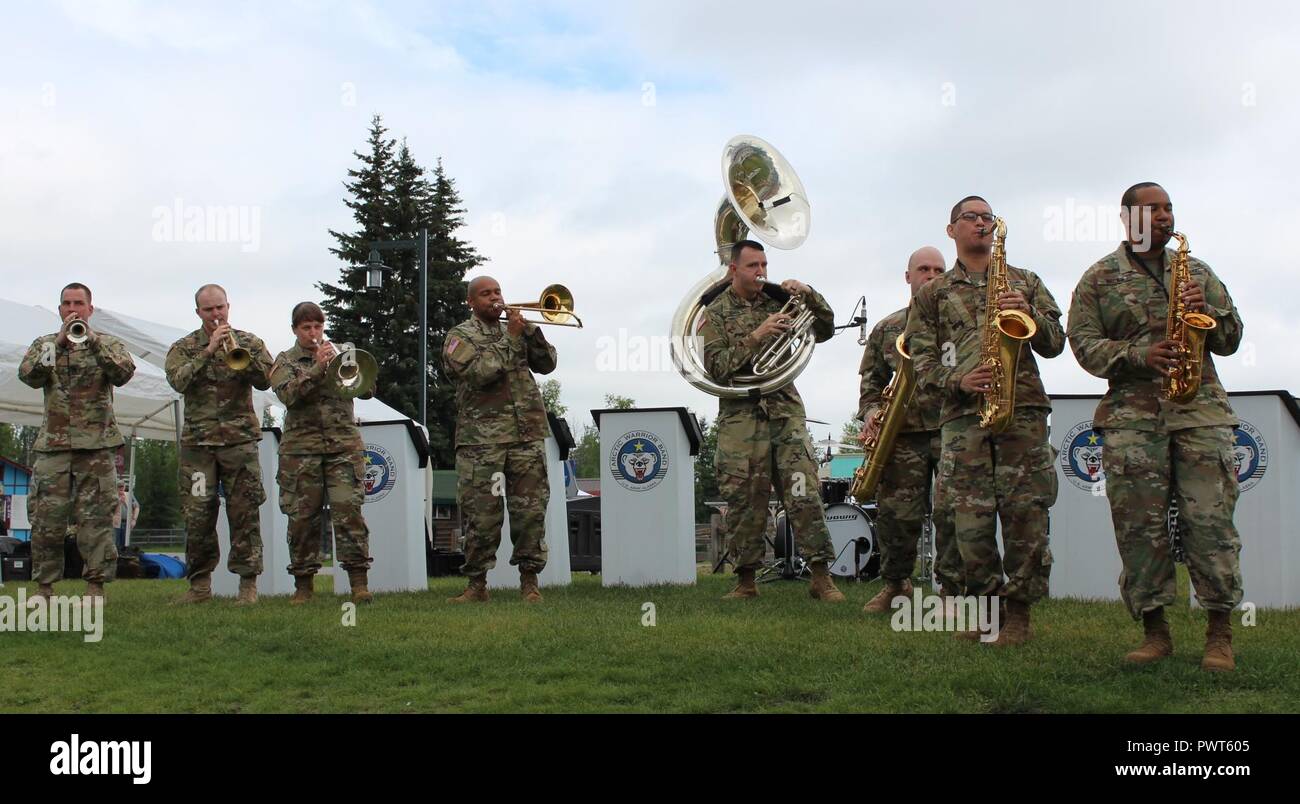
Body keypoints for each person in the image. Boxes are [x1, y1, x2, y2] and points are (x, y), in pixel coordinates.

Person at [1067, 182, 1244, 671]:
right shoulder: (1098, 278)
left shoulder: (1198, 272)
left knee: (1211, 524)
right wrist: (1138, 355)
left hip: (1201, 413)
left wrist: (1208, 312)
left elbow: (1230, 339)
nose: (1165, 216)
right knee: (1139, 529)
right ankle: (1155, 632)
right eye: (1154, 209)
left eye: (1169, 208)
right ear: (1128, 218)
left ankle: (1219, 633)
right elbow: (1082, 346)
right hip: (1132, 417)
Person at [904, 197, 1064, 644]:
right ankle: (987, 609)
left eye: (987, 217)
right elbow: (921, 361)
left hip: (1023, 411)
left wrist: (1029, 313)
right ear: (951, 230)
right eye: (970, 218)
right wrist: (957, 380)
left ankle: (1020, 614)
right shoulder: (934, 294)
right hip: (962, 417)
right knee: (968, 523)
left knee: (1024, 516)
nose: (980, 223)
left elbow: (1055, 344)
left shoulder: (1026, 281)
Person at [700, 239, 844, 601]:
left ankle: (822, 577)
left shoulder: (779, 300)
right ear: (733, 269)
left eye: (764, 264)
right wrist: (757, 335)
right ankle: (746, 581)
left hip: (785, 411)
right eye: (752, 266)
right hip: (741, 417)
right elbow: (716, 368)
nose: (761, 272)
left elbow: (824, 329)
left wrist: (810, 294)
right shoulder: (714, 312)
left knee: (804, 492)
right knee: (746, 499)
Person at [858, 246, 962, 613]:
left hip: (953, 430)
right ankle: (896, 586)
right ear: (908, 276)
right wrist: (871, 413)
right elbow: (870, 386)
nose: (931, 276)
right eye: (923, 269)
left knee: (952, 514)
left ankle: (950, 590)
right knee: (896, 517)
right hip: (900, 437)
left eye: (938, 270)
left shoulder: (962, 327)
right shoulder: (887, 329)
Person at [443, 276, 557, 603]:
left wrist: (533, 333)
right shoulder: (459, 337)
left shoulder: (518, 329)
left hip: (527, 435)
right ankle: (476, 586)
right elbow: (480, 372)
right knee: (482, 514)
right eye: (485, 294)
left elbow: (548, 364)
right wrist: (512, 338)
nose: (494, 298)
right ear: (471, 302)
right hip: (482, 441)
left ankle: (530, 583)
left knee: (531, 512)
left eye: (497, 291)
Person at [18, 283, 135, 601]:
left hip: (96, 447)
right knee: (46, 518)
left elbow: (124, 373)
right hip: (53, 447)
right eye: (67, 304)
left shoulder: (108, 343)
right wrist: (57, 343)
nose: (73, 309)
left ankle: (95, 585)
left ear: (90, 309)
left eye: (79, 304)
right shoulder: (44, 344)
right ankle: (44, 587)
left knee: (96, 518)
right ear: (59, 310)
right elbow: (29, 376)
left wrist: (93, 341)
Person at [165, 284, 274, 604]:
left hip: (239, 444)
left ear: (229, 307)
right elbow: (178, 380)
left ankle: (248, 586)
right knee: (198, 514)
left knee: (245, 513)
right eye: (209, 310)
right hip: (198, 448)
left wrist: (236, 352)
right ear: (198, 312)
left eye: (220, 308)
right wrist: (209, 351)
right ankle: (199, 587)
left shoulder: (250, 342)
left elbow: (266, 379)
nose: (216, 315)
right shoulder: (184, 347)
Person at [270, 302, 373, 605]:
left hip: (343, 448)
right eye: (306, 328)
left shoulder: (341, 351)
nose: (313, 333)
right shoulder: (285, 360)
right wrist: (316, 369)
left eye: (317, 326)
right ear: (295, 330)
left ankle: (358, 583)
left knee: (349, 514)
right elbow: (287, 395)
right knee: (302, 519)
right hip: (301, 451)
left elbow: (367, 388)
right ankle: (304, 586)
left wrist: (346, 364)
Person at [111, 480, 140, 551]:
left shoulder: (129, 495)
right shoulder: (113, 496)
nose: (121, 488)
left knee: (126, 543)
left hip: (127, 523)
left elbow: (137, 507)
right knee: (116, 543)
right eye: (119, 486)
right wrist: (119, 502)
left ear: (124, 487)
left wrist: (134, 520)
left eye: (122, 486)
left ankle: (125, 557)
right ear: (116, 487)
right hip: (115, 524)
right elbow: (109, 509)